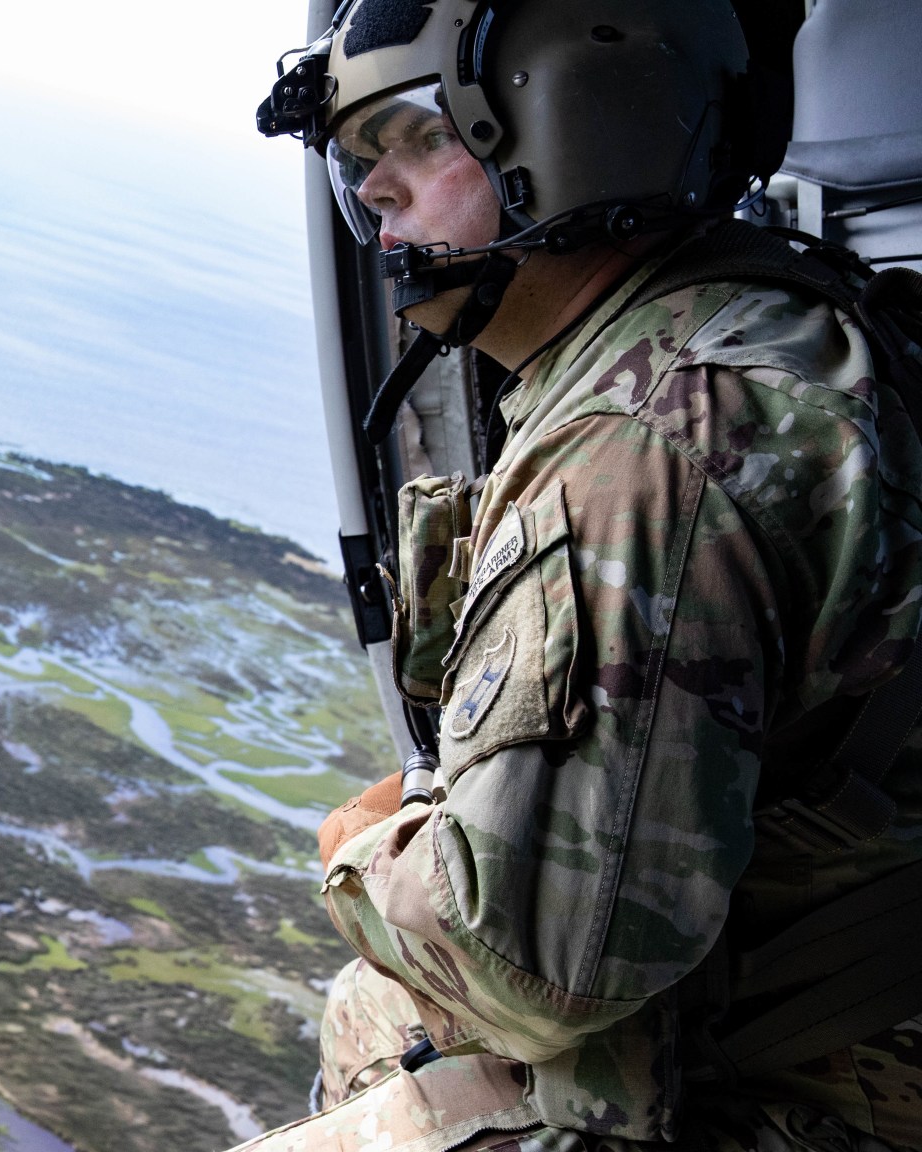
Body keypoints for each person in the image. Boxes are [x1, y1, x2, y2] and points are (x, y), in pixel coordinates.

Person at [245, 1, 922, 1150]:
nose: (371, 194)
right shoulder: (761, 322)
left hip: (807, 1083)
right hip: (810, 1002)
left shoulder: (647, 441)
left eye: (414, 138)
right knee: (369, 1016)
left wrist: (359, 850)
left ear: (572, 129)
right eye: (359, 160)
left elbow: (525, 966)